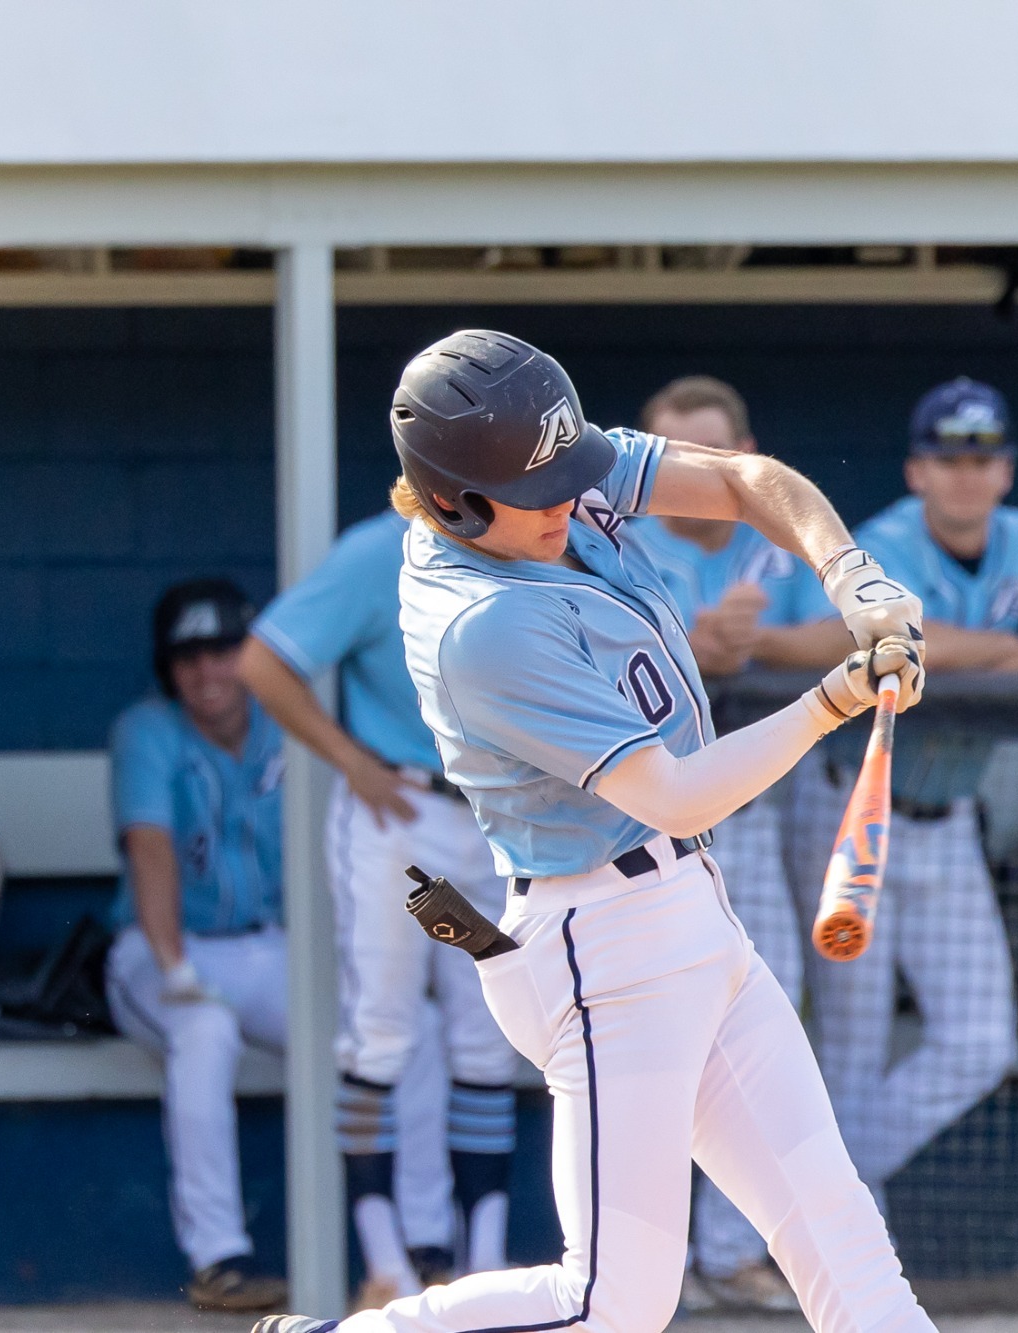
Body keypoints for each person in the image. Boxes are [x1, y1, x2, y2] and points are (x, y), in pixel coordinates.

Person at [256, 328, 937, 1333]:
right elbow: (674, 795)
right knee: (609, 1305)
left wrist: (852, 578)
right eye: (540, 495)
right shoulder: (482, 626)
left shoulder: (539, 470)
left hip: (688, 921)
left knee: (841, 1240)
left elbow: (749, 480)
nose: (571, 501)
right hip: (601, 949)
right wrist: (831, 698)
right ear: (454, 501)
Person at [779, 376, 1018, 1216]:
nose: (967, 473)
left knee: (978, 1042)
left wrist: (987, 659)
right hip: (850, 810)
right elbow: (893, 633)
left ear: (1005, 470)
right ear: (917, 469)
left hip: (948, 815)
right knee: (849, 1044)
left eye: (983, 457)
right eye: (949, 457)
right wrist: (1009, 649)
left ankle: (816, 1205)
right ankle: (853, 1249)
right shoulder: (884, 539)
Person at [240, 504, 520, 1307]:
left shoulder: (530, 544)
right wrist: (349, 759)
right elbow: (263, 662)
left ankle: (486, 1263)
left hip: (497, 818)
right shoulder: (378, 553)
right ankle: (385, 1263)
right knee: (383, 1032)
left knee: (488, 1033)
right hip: (401, 815)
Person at [632, 374, 822, 1314]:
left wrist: (764, 647)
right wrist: (691, 645)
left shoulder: (778, 526)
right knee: (665, 1041)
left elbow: (857, 623)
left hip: (763, 818)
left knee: (765, 1022)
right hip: (652, 821)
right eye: (681, 457)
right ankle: (658, 1261)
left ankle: (733, 1248)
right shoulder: (617, 542)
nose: (697, 475)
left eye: (717, 455)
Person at [103, 580, 291, 1314]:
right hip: (157, 952)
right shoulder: (147, 731)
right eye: (189, 657)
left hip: (270, 948)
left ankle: (417, 1245)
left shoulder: (285, 722)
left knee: (400, 1032)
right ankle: (220, 1257)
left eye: (221, 651)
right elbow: (149, 848)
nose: (207, 671)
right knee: (204, 1029)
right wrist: (174, 965)